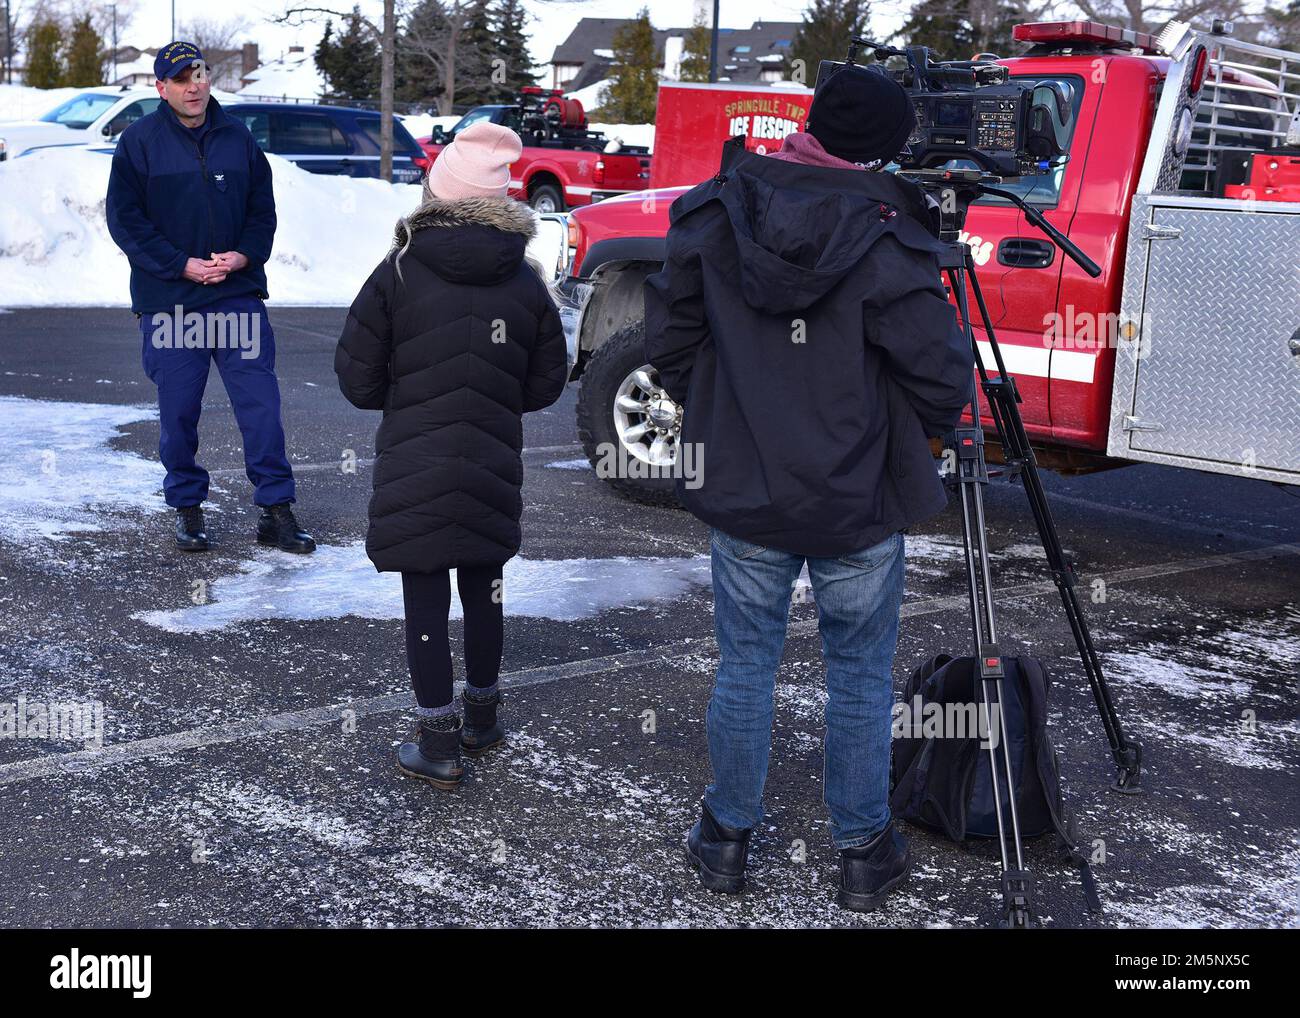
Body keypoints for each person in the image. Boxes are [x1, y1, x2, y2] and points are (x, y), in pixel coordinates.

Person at [643, 65, 975, 912]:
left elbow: (671, 340)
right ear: (884, 147)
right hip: (855, 493)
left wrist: (721, 409)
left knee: (746, 663)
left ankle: (725, 838)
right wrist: (920, 433)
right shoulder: (889, 232)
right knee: (858, 675)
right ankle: (862, 848)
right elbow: (941, 373)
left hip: (747, 483)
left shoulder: (720, 209)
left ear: (813, 124)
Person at [334, 123, 568, 789]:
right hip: (491, 462)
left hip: (418, 462)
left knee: (426, 596)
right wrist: (492, 401)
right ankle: (483, 719)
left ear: (438, 192)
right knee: (485, 589)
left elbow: (358, 379)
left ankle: (437, 743)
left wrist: (408, 394)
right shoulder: (524, 282)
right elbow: (547, 381)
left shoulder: (401, 271)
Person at [106, 41, 314, 555]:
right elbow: (125, 221)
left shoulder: (237, 137)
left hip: (235, 296)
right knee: (178, 412)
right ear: (161, 88)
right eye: (180, 79)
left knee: (261, 407)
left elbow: (261, 212)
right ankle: (188, 509)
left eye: (198, 74)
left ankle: (276, 512)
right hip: (170, 302)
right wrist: (180, 264)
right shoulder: (139, 142)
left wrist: (243, 256)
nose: (194, 85)